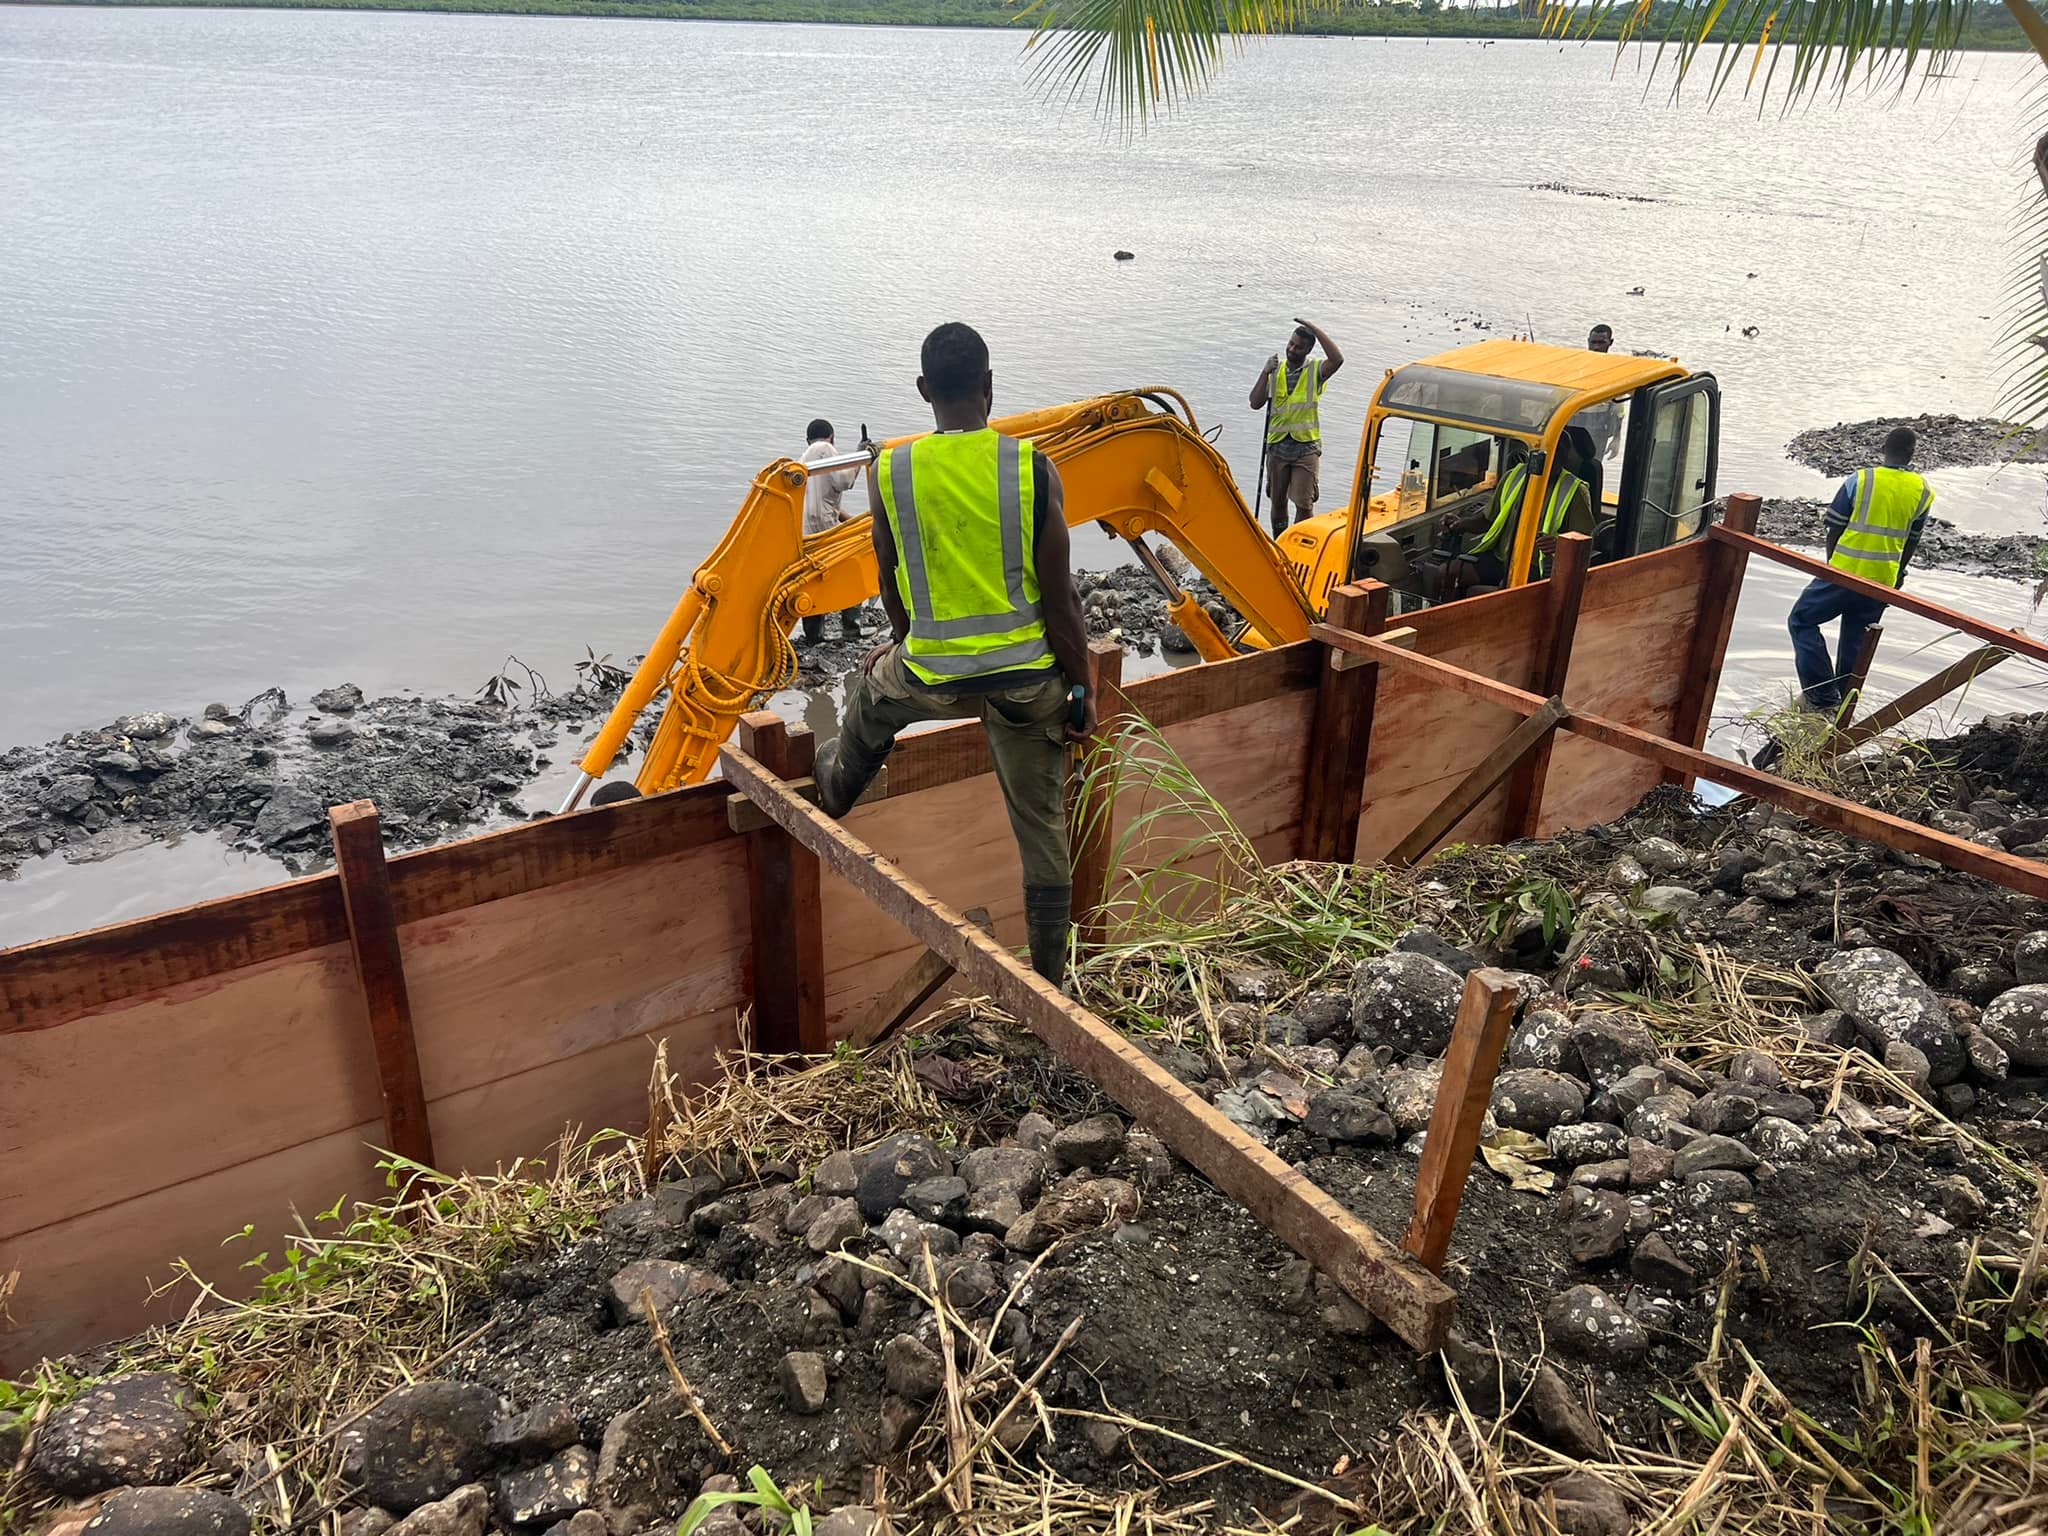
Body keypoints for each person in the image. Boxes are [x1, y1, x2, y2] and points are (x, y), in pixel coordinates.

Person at [813, 323, 1097, 984]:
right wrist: (1081, 693)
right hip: (1028, 684)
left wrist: (906, 638)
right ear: (990, 386)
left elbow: (889, 579)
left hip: (930, 676)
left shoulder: (892, 470)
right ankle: (1050, 983)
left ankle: (838, 786)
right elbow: (1062, 602)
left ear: (922, 391)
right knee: (1042, 830)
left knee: (872, 696)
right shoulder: (1030, 468)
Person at [1785, 424, 1935, 714]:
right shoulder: (1923, 491)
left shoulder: (1862, 479)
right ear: (1911, 454)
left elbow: (1834, 526)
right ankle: (1841, 712)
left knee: (1801, 620)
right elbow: (1911, 542)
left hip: (1846, 572)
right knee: (1855, 643)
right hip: (1881, 581)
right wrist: (1898, 576)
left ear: (1883, 450)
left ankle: (1822, 695)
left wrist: (1831, 567)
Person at [1250, 319, 1344, 536]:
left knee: (1304, 502)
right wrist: (1265, 373)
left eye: (1298, 347)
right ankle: (1280, 542)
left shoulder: (1315, 371)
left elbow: (1337, 359)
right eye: (1291, 344)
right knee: (1278, 501)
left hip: (1306, 448)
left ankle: (1300, 543)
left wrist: (1314, 327)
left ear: (1308, 350)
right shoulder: (1276, 371)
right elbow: (1255, 403)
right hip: (1277, 448)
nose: (1292, 349)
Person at [797, 418, 869, 644]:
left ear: (807, 439)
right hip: (823, 529)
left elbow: (826, 502)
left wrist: (856, 521)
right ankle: (851, 629)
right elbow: (844, 481)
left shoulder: (803, 459)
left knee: (813, 580)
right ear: (832, 437)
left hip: (804, 532)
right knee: (852, 569)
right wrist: (860, 455)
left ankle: (813, 636)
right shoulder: (825, 449)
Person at [1579, 325, 1623, 461]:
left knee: (1592, 465)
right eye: (1593, 343)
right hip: (1572, 420)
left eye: (1601, 343)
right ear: (1588, 341)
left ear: (1610, 342)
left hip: (1598, 425)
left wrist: (1617, 438)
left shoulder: (1615, 371)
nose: (1596, 347)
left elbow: (1619, 409)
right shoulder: (1577, 365)